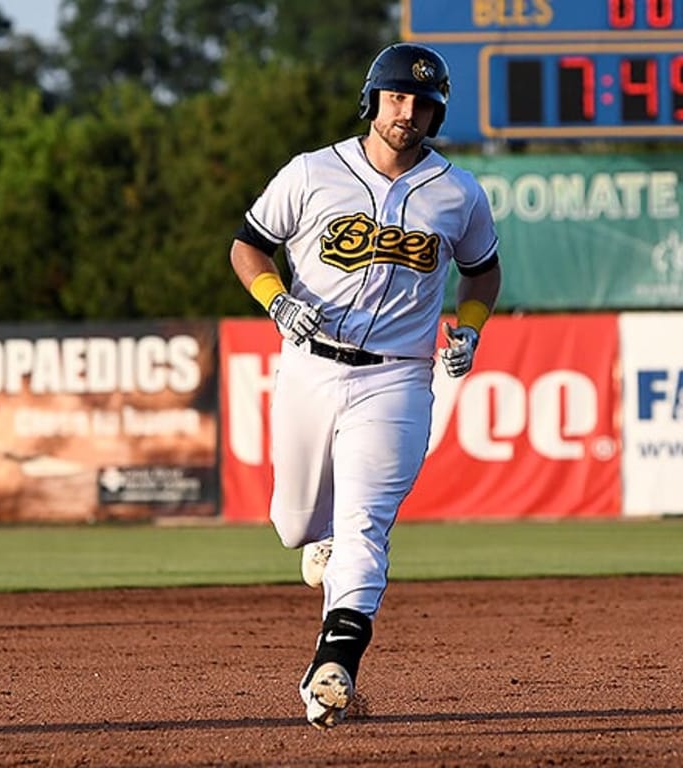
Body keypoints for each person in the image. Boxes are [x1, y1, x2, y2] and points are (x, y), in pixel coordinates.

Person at [228, 43, 502, 729]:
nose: (407, 112)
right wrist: (274, 299)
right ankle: (317, 539)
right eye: (397, 97)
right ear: (373, 100)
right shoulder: (312, 171)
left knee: (365, 526)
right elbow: (248, 245)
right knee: (294, 524)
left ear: (437, 114)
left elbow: (483, 271)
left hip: (397, 378)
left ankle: (335, 665)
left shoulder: (458, 192)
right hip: (310, 365)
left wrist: (470, 328)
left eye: (422, 103)